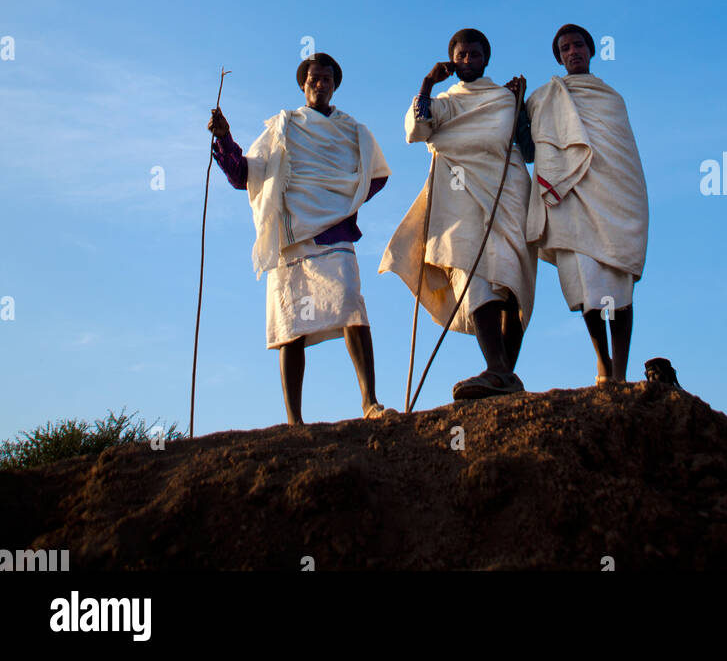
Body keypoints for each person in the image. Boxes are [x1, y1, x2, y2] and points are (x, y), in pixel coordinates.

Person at [207, 52, 392, 422]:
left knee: (351, 307)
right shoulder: (283, 128)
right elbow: (245, 174)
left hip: (333, 232)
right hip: (289, 235)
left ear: (335, 84)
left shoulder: (353, 130)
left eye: (326, 79)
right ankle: (294, 420)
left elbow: (378, 175)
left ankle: (369, 402)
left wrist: (340, 201)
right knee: (290, 327)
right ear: (303, 84)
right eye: (313, 79)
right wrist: (225, 138)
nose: (319, 84)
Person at [379, 28, 536, 399]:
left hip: (507, 192)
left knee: (512, 279)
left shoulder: (505, 97)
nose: (468, 60)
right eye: (461, 55)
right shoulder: (446, 101)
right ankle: (497, 370)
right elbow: (417, 129)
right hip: (460, 194)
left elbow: (526, 148)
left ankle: (503, 374)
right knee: (471, 271)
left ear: (486, 58)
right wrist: (427, 83)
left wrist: (520, 103)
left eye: (475, 54)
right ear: (452, 59)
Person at [524, 25, 649, 385]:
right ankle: (602, 363)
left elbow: (622, 155)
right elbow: (526, 146)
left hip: (614, 194)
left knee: (618, 280)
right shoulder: (546, 96)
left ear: (591, 51)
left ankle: (621, 372)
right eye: (565, 48)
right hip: (570, 197)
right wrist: (515, 103)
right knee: (586, 282)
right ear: (559, 57)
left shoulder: (611, 99)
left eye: (578, 45)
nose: (572, 52)